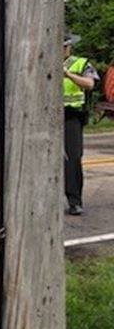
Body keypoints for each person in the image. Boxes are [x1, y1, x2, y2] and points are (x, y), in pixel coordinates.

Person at [63, 31, 98, 216]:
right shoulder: (43, 61)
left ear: (69, 47)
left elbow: (89, 84)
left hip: (71, 116)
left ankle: (74, 201)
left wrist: (68, 75)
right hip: (47, 117)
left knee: (72, 158)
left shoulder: (81, 63)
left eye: (64, 47)